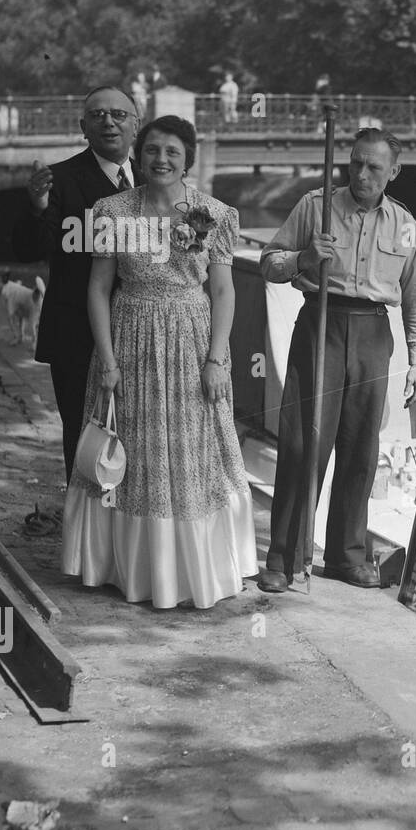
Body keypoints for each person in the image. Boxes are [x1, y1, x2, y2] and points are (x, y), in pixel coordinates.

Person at [62, 115, 255, 609]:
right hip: (128, 337)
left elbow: (222, 290)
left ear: (187, 158)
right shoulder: (111, 210)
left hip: (191, 341)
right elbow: (99, 288)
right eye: (151, 150)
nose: (161, 159)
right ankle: (122, 568)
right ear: (137, 155)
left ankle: (188, 574)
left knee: (193, 452)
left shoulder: (215, 213)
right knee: (133, 449)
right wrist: (106, 362)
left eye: (171, 151)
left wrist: (217, 358)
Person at [258, 128, 416, 592]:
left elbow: (415, 297)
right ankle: (284, 558)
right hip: (321, 325)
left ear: (393, 172)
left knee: (361, 449)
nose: (361, 174)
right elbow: (268, 263)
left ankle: (346, 556)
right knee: (302, 443)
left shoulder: (406, 225)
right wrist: (306, 257)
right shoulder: (315, 206)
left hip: (374, 332)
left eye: (374, 167)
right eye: (355, 163)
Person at [13, 85, 140, 480]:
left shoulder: (157, 180)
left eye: (119, 115)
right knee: (85, 440)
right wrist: (36, 208)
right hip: (77, 335)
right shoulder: (61, 179)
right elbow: (30, 250)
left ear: (137, 125)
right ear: (83, 127)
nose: (109, 122)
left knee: (142, 438)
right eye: (98, 115)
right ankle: (84, 534)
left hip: (145, 331)